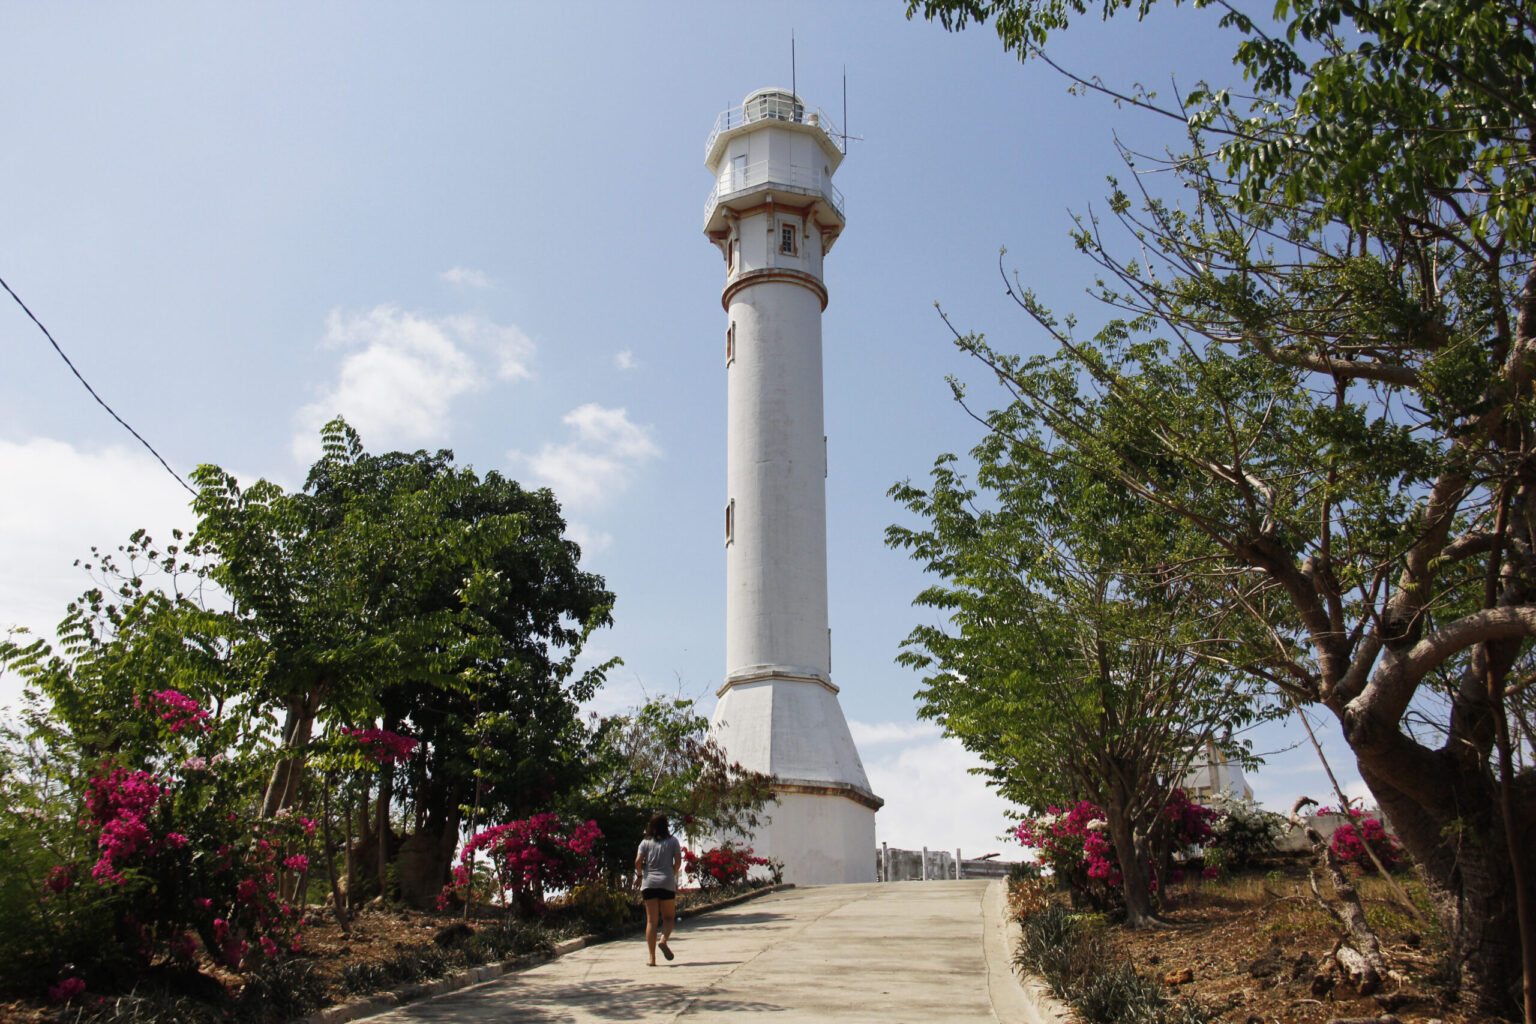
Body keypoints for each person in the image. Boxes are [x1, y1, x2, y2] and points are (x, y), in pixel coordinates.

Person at [634, 812, 683, 966]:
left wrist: (640, 875)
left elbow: (637, 862)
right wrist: (672, 873)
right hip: (666, 881)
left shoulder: (645, 842)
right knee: (668, 918)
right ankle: (663, 940)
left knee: (651, 921)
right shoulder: (673, 841)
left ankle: (652, 958)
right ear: (666, 825)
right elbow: (678, 861)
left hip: (649, 884)